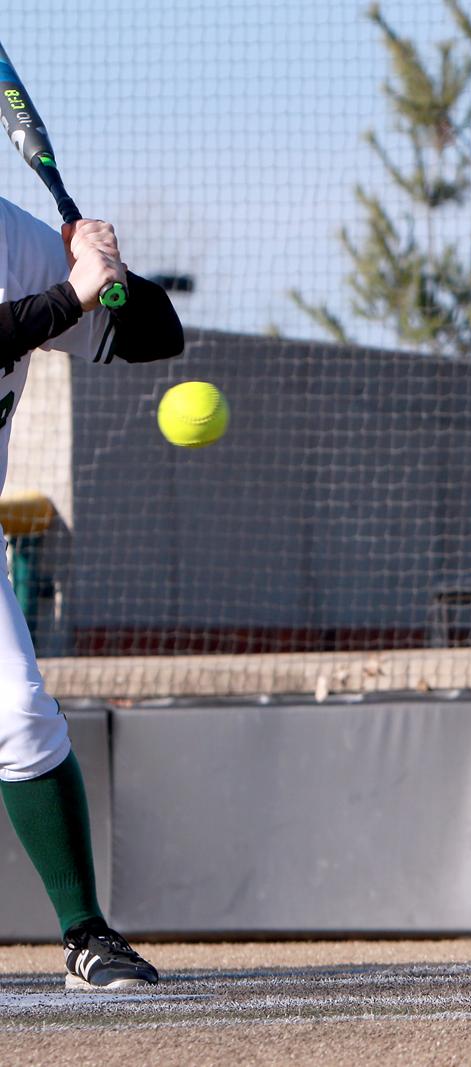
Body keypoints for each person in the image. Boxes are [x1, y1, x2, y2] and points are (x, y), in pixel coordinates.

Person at [0, 197, 184, 989]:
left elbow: (153, 338)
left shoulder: (15, 239)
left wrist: (111, 277)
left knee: (21, 717)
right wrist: (67, 297)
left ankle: (86, 934)